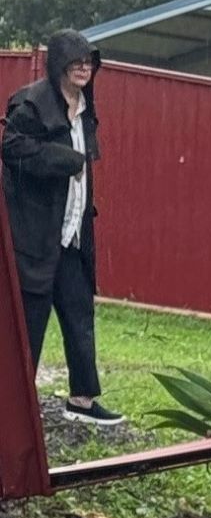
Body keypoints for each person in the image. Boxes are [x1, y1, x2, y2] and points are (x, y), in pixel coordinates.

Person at [2, 29, 123, 425]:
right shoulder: (32, 103)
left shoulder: (86, 107)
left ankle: (83, 400)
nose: (84, 68)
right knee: (29, 323)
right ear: (58, 65)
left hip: (72, 234)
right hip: (35, 236)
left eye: (89, 62)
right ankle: (15, 408)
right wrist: (63, 158)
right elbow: (11, 149)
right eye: (76, 62)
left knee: (78, 313)